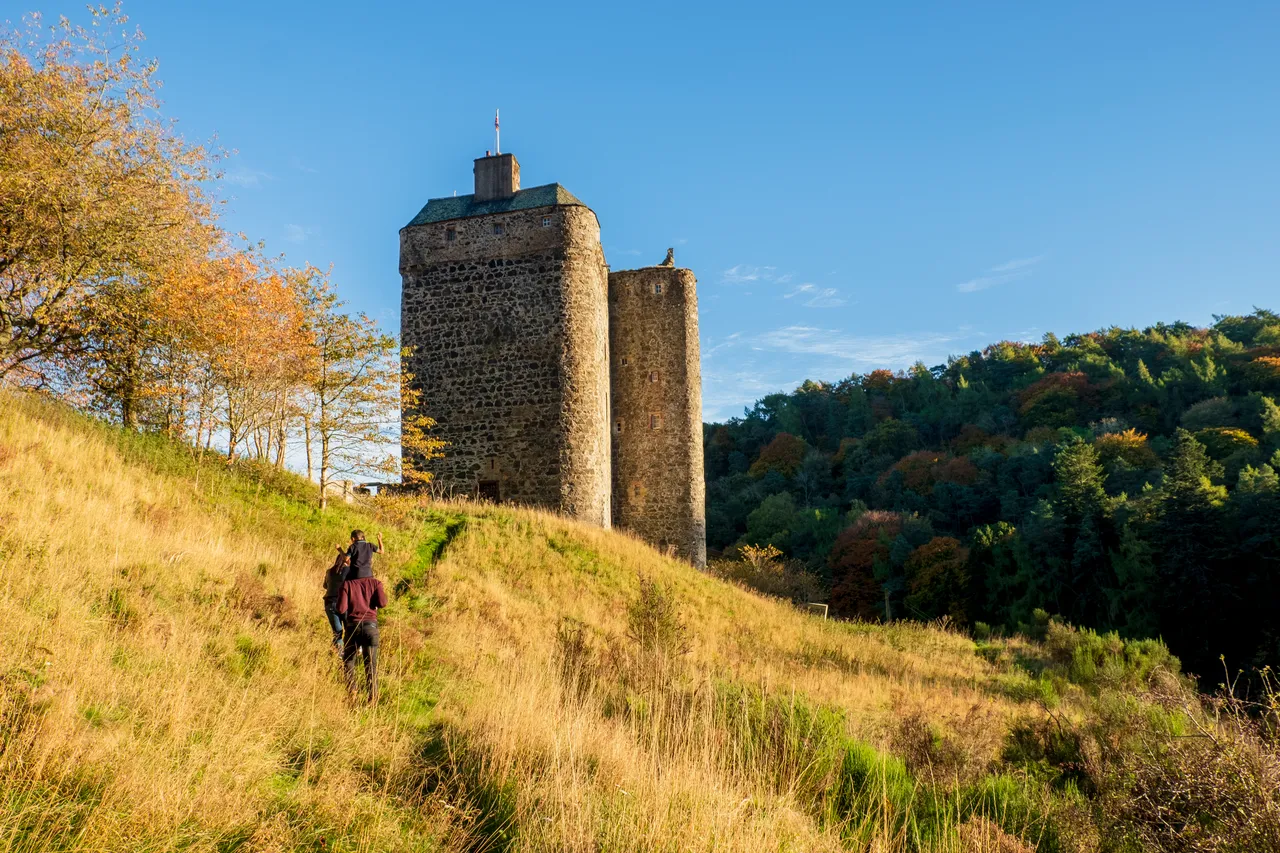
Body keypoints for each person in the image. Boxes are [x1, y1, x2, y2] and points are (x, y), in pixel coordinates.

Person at [336, 530, 387, 703]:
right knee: (370, 664)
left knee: (349, 661)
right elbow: (383, 603)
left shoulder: (348, 584)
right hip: (371, 626)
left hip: (352, 627)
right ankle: (372, 697)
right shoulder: (376, 583)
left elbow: (341, 608)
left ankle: (352, 692)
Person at [321, 550, 349, 653]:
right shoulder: (349, 571)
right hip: (344, 603)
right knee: (349, 630)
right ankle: (349, 654)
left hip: (329, 603)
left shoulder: (329, 571)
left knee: (337, 632)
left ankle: (339, 655)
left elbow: (325, 586)